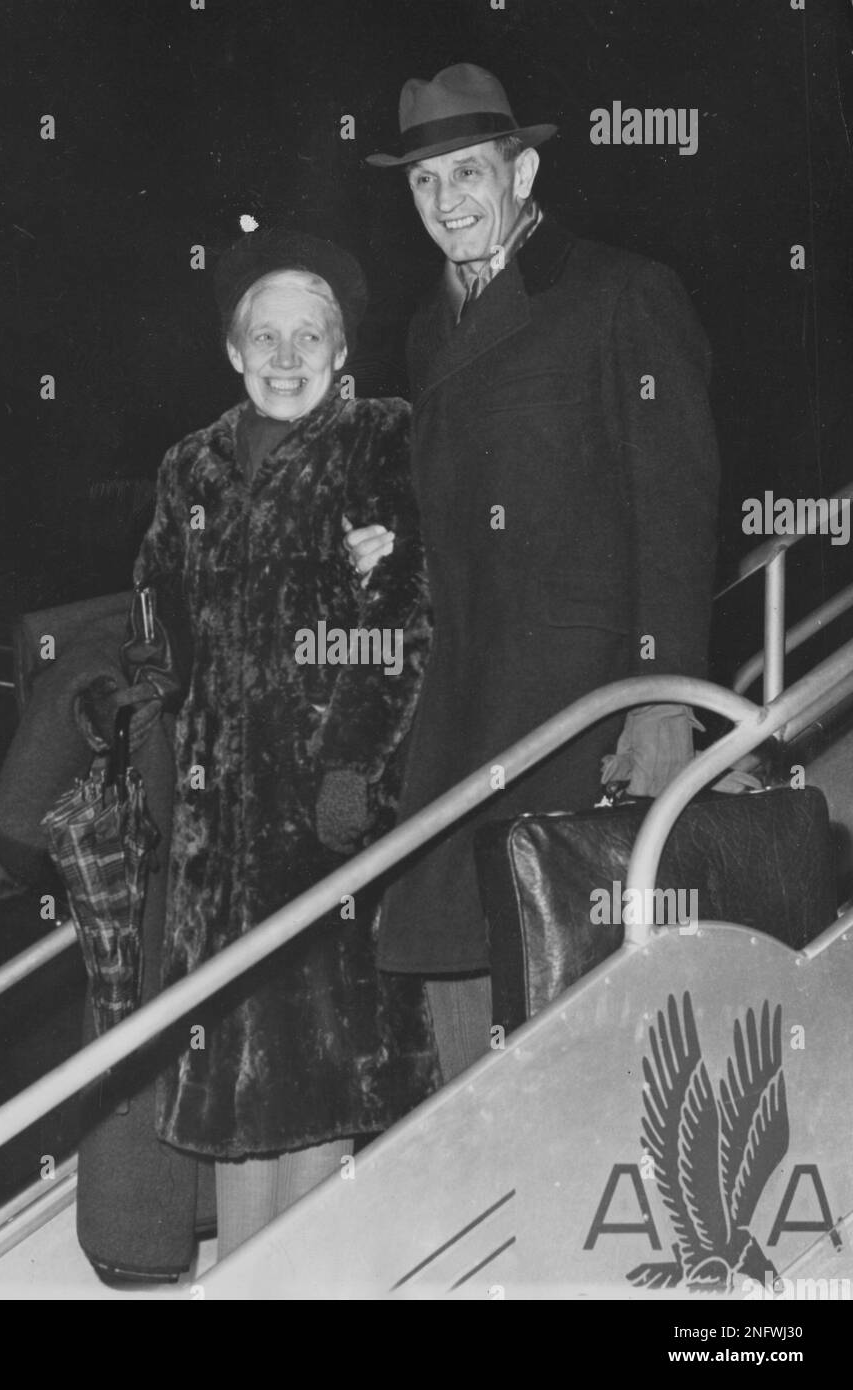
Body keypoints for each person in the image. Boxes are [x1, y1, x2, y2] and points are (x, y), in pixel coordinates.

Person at [348, 63, 720, 1082]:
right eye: (423, 184)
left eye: (468, 172)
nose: (446, 202)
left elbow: (677, 510)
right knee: (455, 969)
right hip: (465, 709)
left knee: (578, 1000)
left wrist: (661, 701)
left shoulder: (619, 292)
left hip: (580, 706)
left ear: (524, 168)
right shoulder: (430, 329)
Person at [133, 229, 439, 1257]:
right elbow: (160, 624)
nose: (287, 353)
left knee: (318, 1075)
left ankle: (299, 1279)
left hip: (324, 821)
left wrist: (354, 764)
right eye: (266, 334)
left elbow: (404, 619)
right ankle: (243, 1280)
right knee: (231, 1082)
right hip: (218, 830)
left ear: (342, 349)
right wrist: (135, 713)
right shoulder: (191, 468)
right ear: (233, 348)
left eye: (310, 334)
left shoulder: (376, 438)